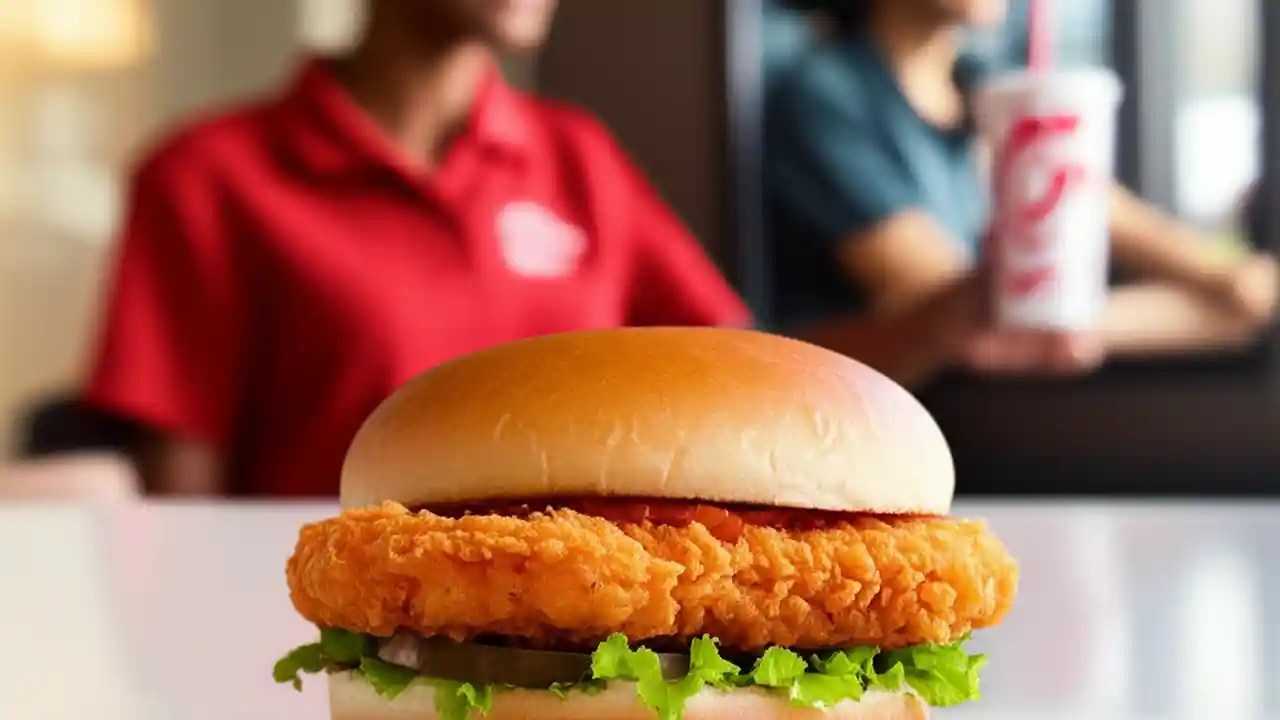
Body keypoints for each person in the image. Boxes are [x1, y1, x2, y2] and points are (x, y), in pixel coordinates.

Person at [85, 0, 752, 497]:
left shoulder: (577, 155)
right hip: (326, 623)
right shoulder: (207, 176)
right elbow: (180, 498)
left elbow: (725, 369)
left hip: (570, 615)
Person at [766, 0, 1279, 374]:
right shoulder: (826, 100)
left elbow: (1107, 212)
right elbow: (946, 306)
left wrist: (1228, 281)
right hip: (898, 417)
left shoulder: (990, 94)